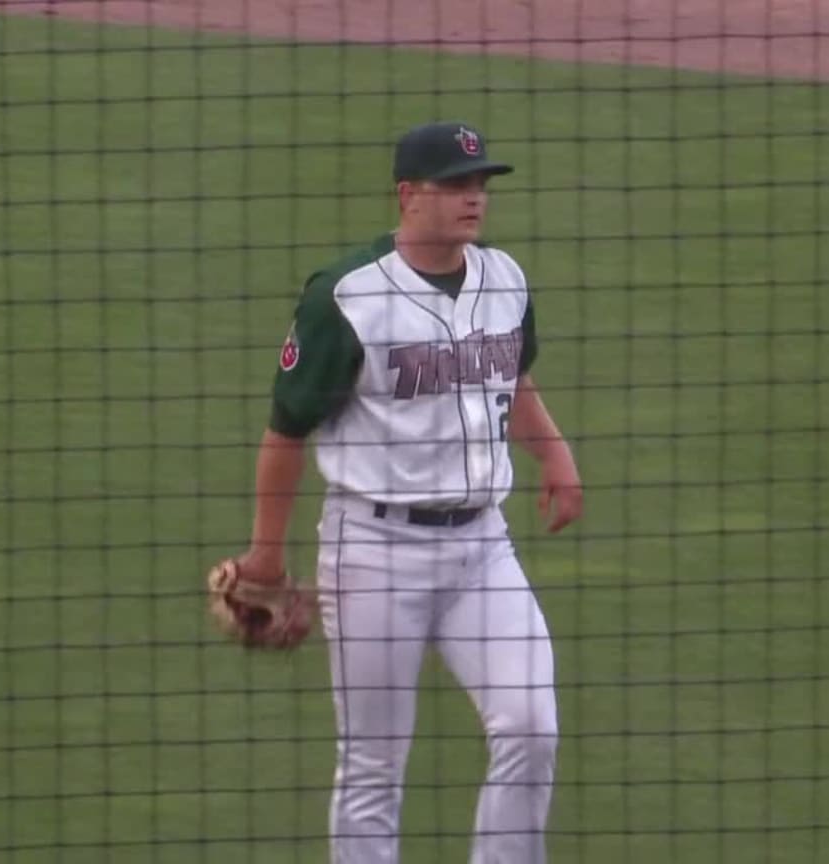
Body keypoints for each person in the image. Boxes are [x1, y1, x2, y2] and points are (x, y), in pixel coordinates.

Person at [234, 121, 584, 863]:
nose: (473, 199)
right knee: (372, 766)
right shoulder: (347, 296)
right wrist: (266, 557)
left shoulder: (505, 278)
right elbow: (286, 430)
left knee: (530, 724)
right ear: (406, 194)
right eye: (455, 185)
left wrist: (555, 455)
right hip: (373, 554)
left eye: (480, 184)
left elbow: (512, 381)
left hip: (482, 550)